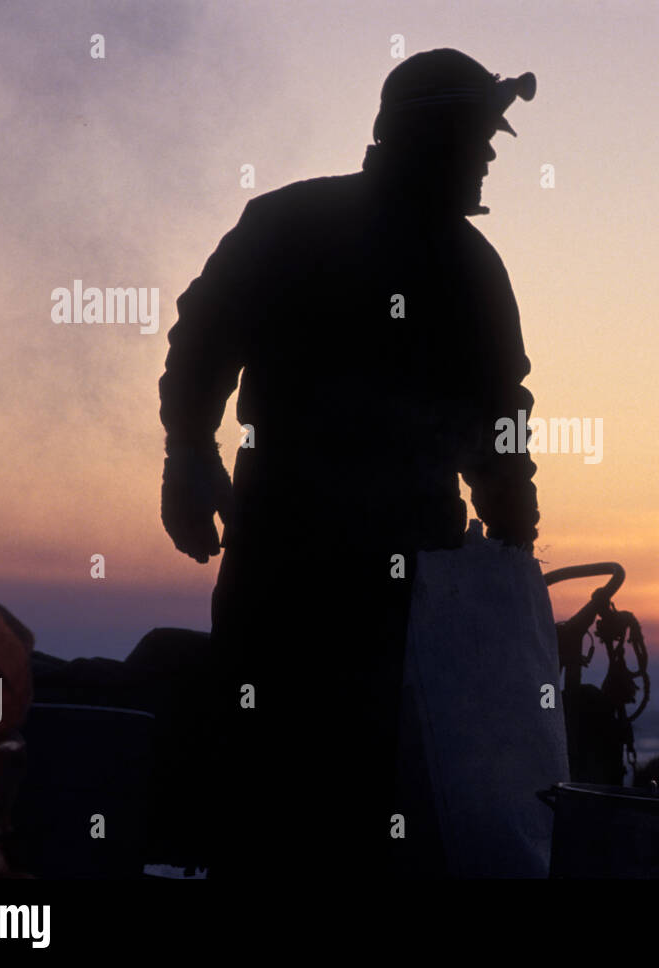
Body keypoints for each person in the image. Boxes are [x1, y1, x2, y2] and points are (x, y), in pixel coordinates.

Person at [158, 48, 541, 879]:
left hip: (410, 591)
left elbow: (500, 415)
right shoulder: (292, 226)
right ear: (429, 135)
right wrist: (187, 449)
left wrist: (514, 530)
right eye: (478, 138)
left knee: (379, 805)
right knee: (275, 795)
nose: (486, 157)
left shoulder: (473, 268)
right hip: (290, 568)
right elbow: (204, 338)